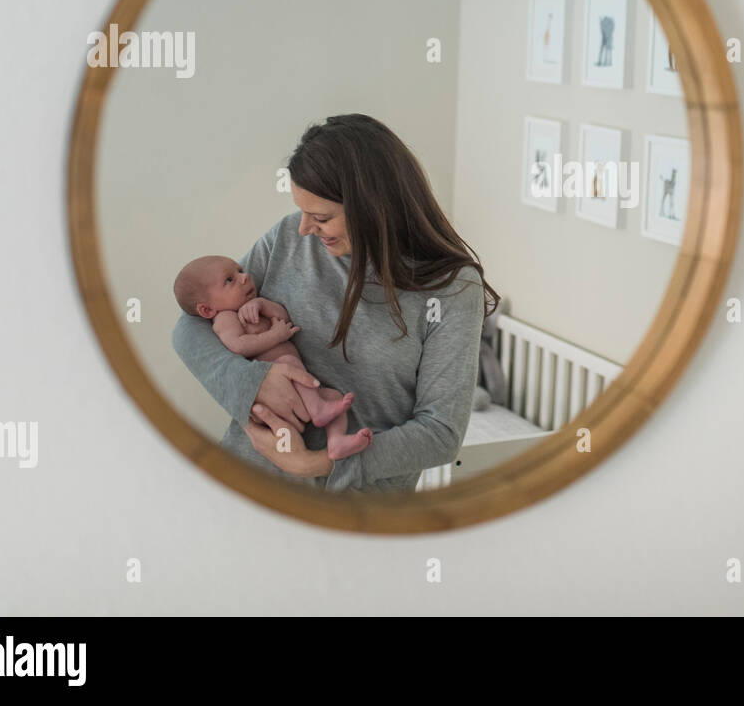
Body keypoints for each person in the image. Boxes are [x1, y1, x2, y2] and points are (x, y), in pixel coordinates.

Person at [171, 114, 499, 492]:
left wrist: (314, 465)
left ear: (372, 207)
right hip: (242, 487)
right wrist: (252, 384)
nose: (304, 228)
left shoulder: (452, 289)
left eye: (321, 217)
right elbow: (191, 325)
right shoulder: (288, 239)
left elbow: (440, 433)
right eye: (303, 212)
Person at [171, 254, 371, 461]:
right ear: (207, 309)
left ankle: (336, 441)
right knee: (289, 363)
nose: (245, 277)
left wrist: (263, 305)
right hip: (278, 392)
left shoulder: (251, 304)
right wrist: (275, 336)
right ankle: (318, 410)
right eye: (229, 280)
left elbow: (283, 318)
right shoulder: (225, 318)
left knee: (335, 396)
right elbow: (238, 346)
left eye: (240, 271)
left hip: (300, 388)